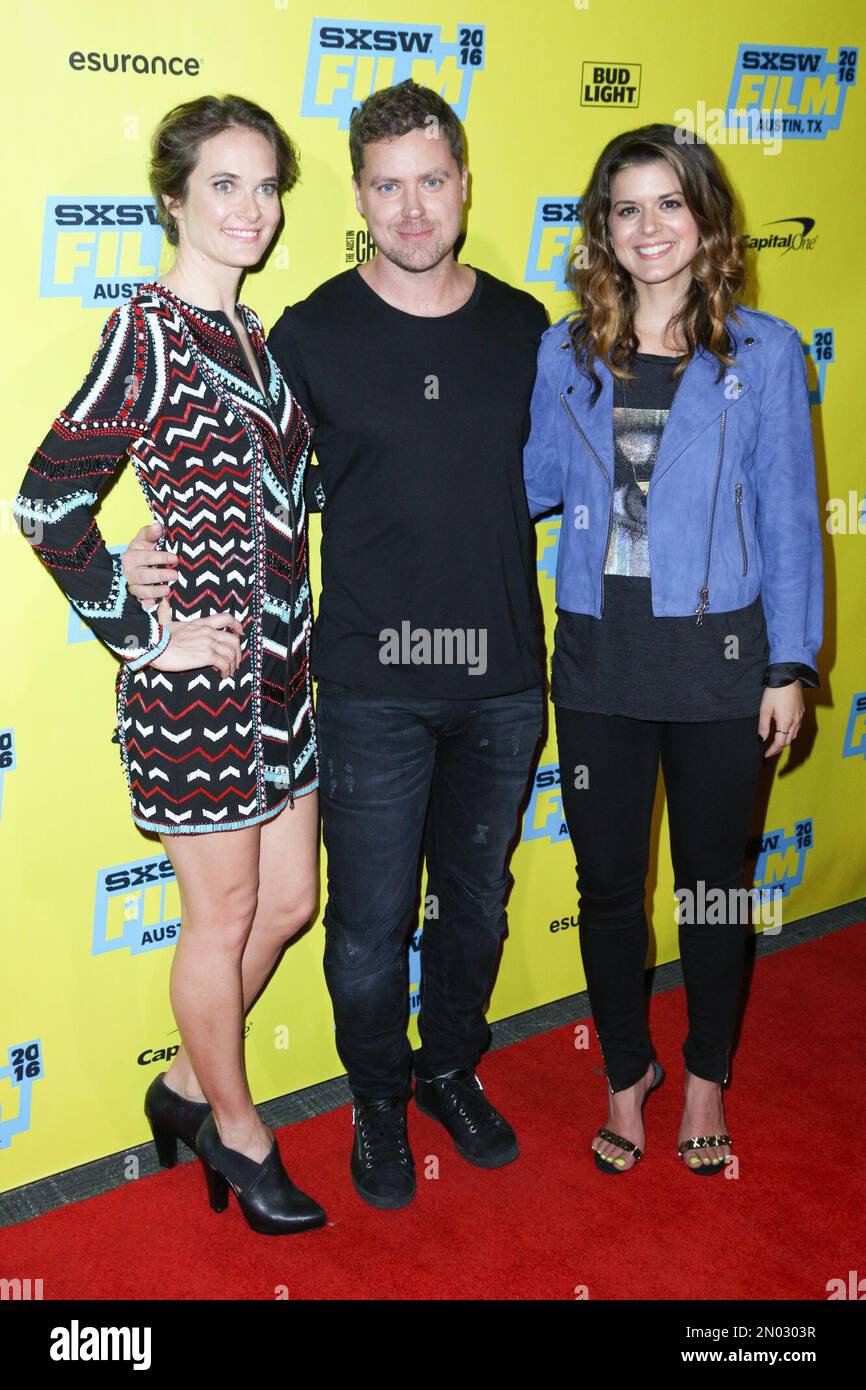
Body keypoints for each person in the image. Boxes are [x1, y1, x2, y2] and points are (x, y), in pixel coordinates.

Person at [121, 79, 548, 1211]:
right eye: (386, 186)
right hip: (365, 688)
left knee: (476, 906)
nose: (412, 208)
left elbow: (578, 479)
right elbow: (237, 479)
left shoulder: (526, 328)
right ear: (358, 198)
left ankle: (447, 1069)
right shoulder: (305, 333)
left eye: (431, 181)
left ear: (464, 184)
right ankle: (375, 1101)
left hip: (503, 681)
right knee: (362, 930)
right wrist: (143, 565)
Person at [14, 94, 326, 1234]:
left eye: (267, 186)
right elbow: (46, 503)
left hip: (283, 681)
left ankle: (187, 1087)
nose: (253, 208)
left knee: (289, 902)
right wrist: (142, 632)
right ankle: (240, 1133)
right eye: (225, 186)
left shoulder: (255, 336)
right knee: (224, 911)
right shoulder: (145, 331)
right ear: (173, 202)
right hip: (195, 695)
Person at [522, 123, 823, 1175]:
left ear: (704, 219)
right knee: (607, 888)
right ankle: (624, 1074)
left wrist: (789, 663)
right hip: (597, 662)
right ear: (601, 227)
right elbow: (524, 484)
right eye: (626, 207)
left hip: (718, 663)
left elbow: (789, 517)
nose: (648, 227)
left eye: (669, 204)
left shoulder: (763, 352)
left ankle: (704, 1074)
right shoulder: (564, 353)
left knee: (711, 888)